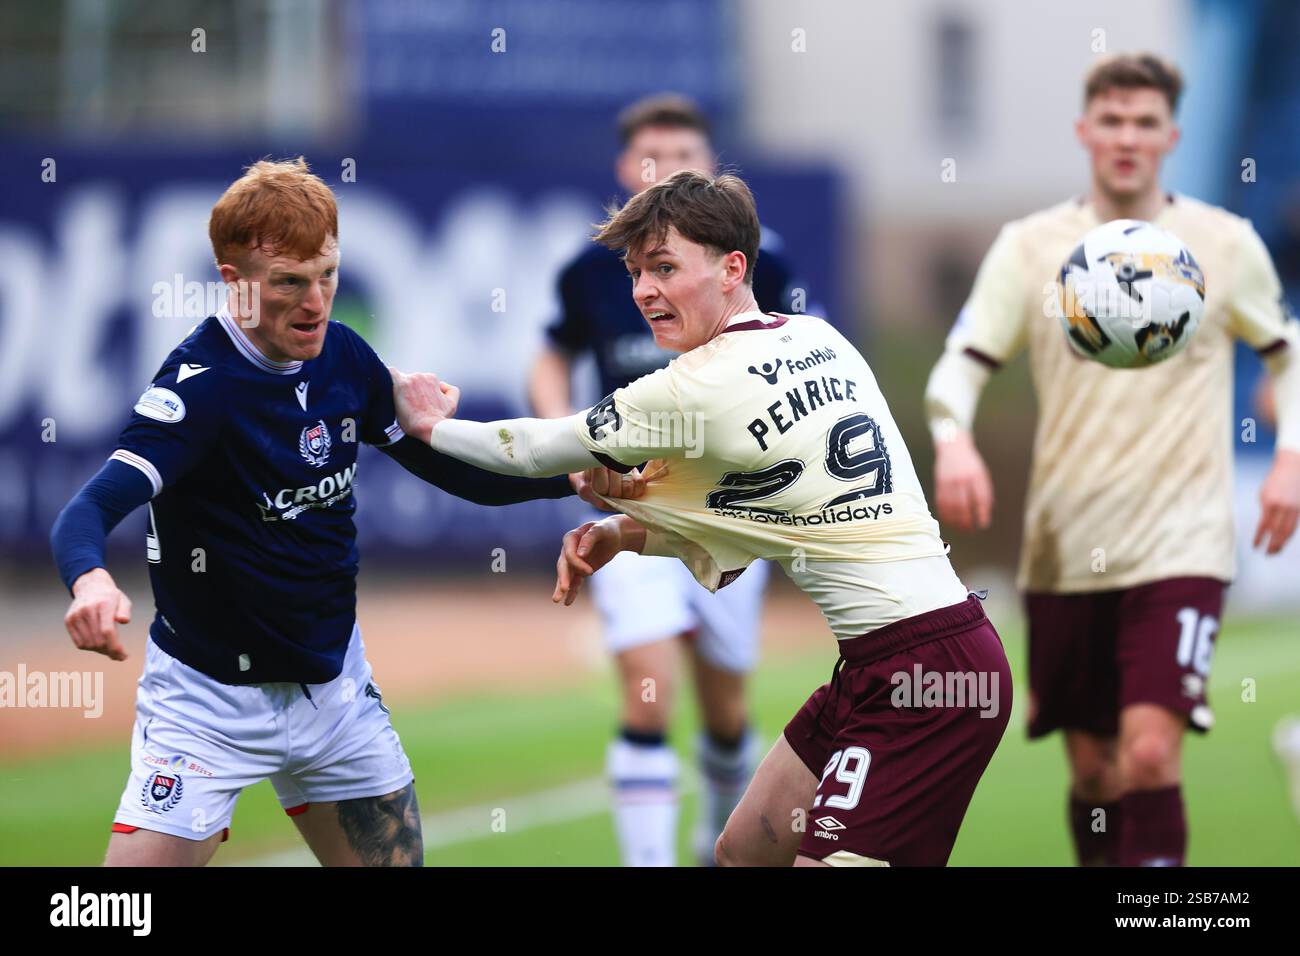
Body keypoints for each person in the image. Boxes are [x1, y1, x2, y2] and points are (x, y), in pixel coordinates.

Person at [391, 169, 1012, 866]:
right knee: (743, 852)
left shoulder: (697, 386)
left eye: (664, 268)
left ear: (732, 269)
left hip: (924, 677)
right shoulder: (819, 338)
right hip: (909, 659)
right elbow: (758, 512)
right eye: (635, 272)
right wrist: (623, 532)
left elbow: (531, 449)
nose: (642, 291)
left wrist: (426, 425)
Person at [49, 158, 635, 867]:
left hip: (335, 697)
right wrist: (90, 580)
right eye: (289, 282)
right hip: (207, 707)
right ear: (235, 282)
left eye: (327, 274)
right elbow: (89, 507)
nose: (316, 302)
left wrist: (572, 476)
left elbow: (455, 470)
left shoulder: (344, 358)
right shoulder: (198, 391)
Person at [923, 53, 1300, 866]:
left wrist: (1291, 457)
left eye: (1145, 122)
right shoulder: (1029, 248)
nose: (1128, 138)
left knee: (1151, 756)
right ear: (1084, 131)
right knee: (1095, 774)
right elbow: (960, 363)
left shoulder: (1226, 243)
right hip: (1067, 547)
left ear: (1172, 137)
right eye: (1113, 121)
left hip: (1184, 541)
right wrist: (954, 441)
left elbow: (1288, 356)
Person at [528, 93, 805, 866]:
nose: (667, 171)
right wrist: (564, 438)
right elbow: (551, 354)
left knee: (726, 712)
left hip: (731, 507)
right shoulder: (593, 268)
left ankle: (720, 840)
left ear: (711, 168)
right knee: (647, 696)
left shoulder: (764, 262)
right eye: (651, 158)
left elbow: (798, 362)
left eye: (683, 156)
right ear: (625, 168)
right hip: (633, 501)